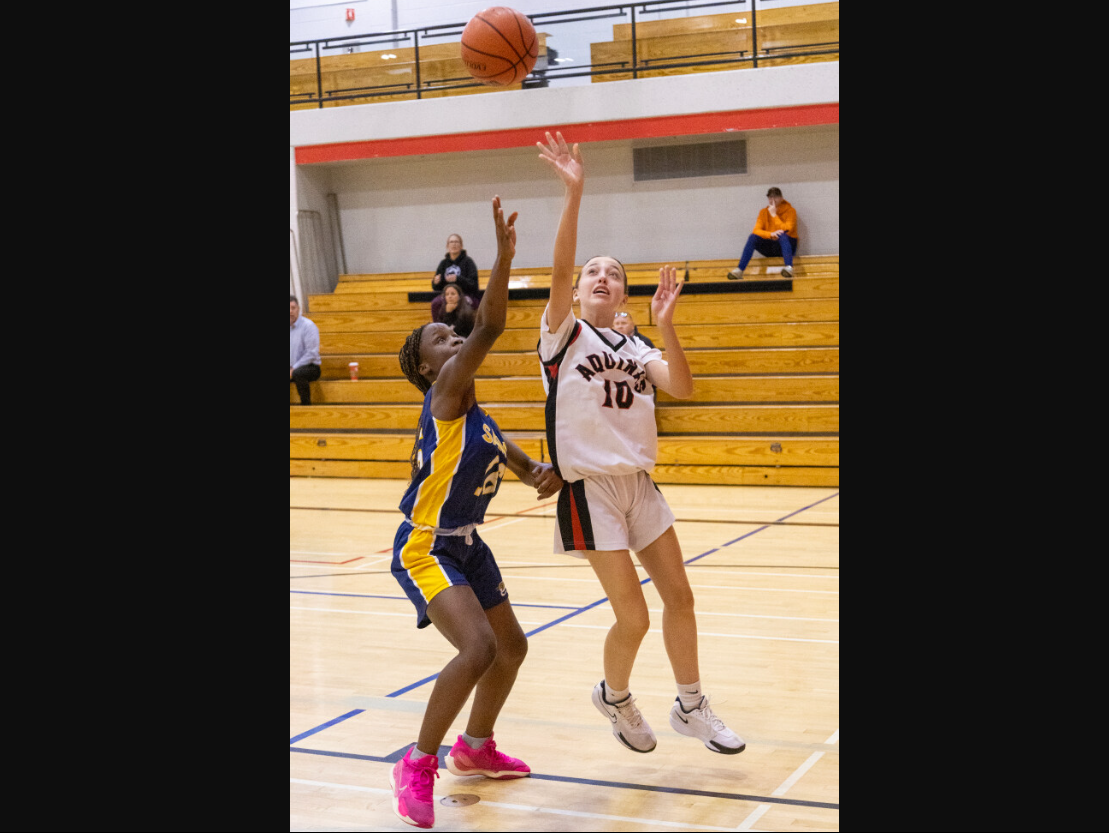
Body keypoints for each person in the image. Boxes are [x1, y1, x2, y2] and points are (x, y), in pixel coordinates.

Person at [536, 131, 745, 757]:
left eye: (615, 274)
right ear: (576, 292)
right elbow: (560, 265)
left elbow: (679, 386)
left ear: (625, 295)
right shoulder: (562, 335)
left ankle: (690, 704)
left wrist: (667, 328)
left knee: (681, 596)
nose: (602, 276)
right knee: (635, 617)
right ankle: (616, 697)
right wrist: (575, 193)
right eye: (594, 272)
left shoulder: (636, 348)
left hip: (639, 484)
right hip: (589, 488)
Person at [390, 196, 563, 830]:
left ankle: (475, 748)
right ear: (427, 368)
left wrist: (543, 474)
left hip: (467, 544)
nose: (452, 336)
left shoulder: (480, 421)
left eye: (451, 332)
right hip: (426, 545)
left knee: (511, 648)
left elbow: (523, 468)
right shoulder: (445, 394)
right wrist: (503, 259)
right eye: (440, 338)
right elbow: (489, 326)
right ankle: (417, 762)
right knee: (478, 648)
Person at [727, 187, 799, 280]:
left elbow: (787, 229)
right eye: (770, 198)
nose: (773, 200)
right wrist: (771, 234)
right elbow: (756, 230)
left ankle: (789, 267)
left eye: (775, 197)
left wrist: (774, 215)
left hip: (787, 245)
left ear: (781, 198)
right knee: (752, 237)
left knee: (782, 235)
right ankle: (740, 270)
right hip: (771, 246)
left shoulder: (790, 211)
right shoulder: (763, 212)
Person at [430, 233, 480, 317]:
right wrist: (435, 282)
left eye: (456, 242)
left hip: (465, 294)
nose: (454, 244)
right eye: (451, 242)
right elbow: (436, 287)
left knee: (466, 304)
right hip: (448, 296)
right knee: (436, 303)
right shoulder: (443, 263)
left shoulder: (468, 262)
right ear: (447, 246)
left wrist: (458, 279)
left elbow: (474, 285)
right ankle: (439, 328)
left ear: (461, 246)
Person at [289, 295, 321, 405]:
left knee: (298, 373)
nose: (290, 311)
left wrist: (294, 368)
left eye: (293, 308)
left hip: (310, 367)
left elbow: (311, 353)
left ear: (298, 308)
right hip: (292, 367)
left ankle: (306, 406)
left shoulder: (308, 326)